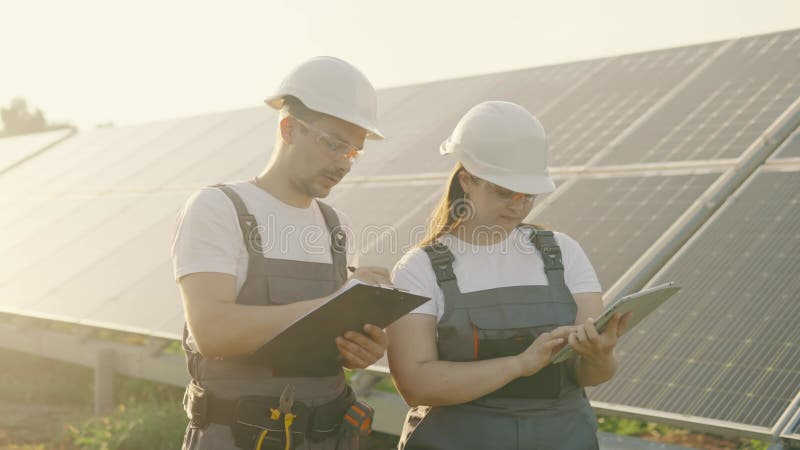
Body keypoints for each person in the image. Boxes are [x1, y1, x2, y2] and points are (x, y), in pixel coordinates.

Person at [172, 56, 392, 450]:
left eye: (354, 152)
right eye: (334, 144)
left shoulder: (336, 226)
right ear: (289, 128)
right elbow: (212, 331)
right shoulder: (218, 208)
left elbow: (323, 341)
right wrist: (336, 303)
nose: (344, 163)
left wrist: (361, 349)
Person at [386, 101, 631, 450]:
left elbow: (587, 375)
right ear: (467, 181)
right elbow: (416, 384)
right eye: (504, 192)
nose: (518, 206)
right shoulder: (419, 268)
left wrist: (601, 355)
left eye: (528, 195)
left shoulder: (564, 253)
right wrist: (519, 364)